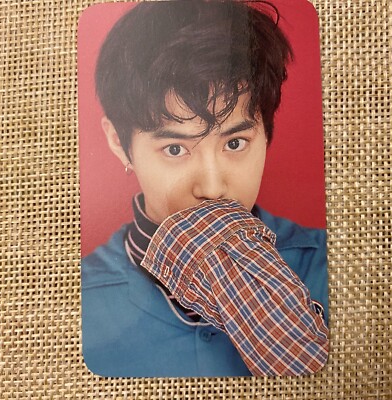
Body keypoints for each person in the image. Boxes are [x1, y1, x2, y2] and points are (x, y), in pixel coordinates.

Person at [81, 0, 329, 377]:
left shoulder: (337, 268)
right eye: (175, 149)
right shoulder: (76, 302)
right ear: (118, 142)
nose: (212, 188)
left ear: (266, 132)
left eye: (235, 143)